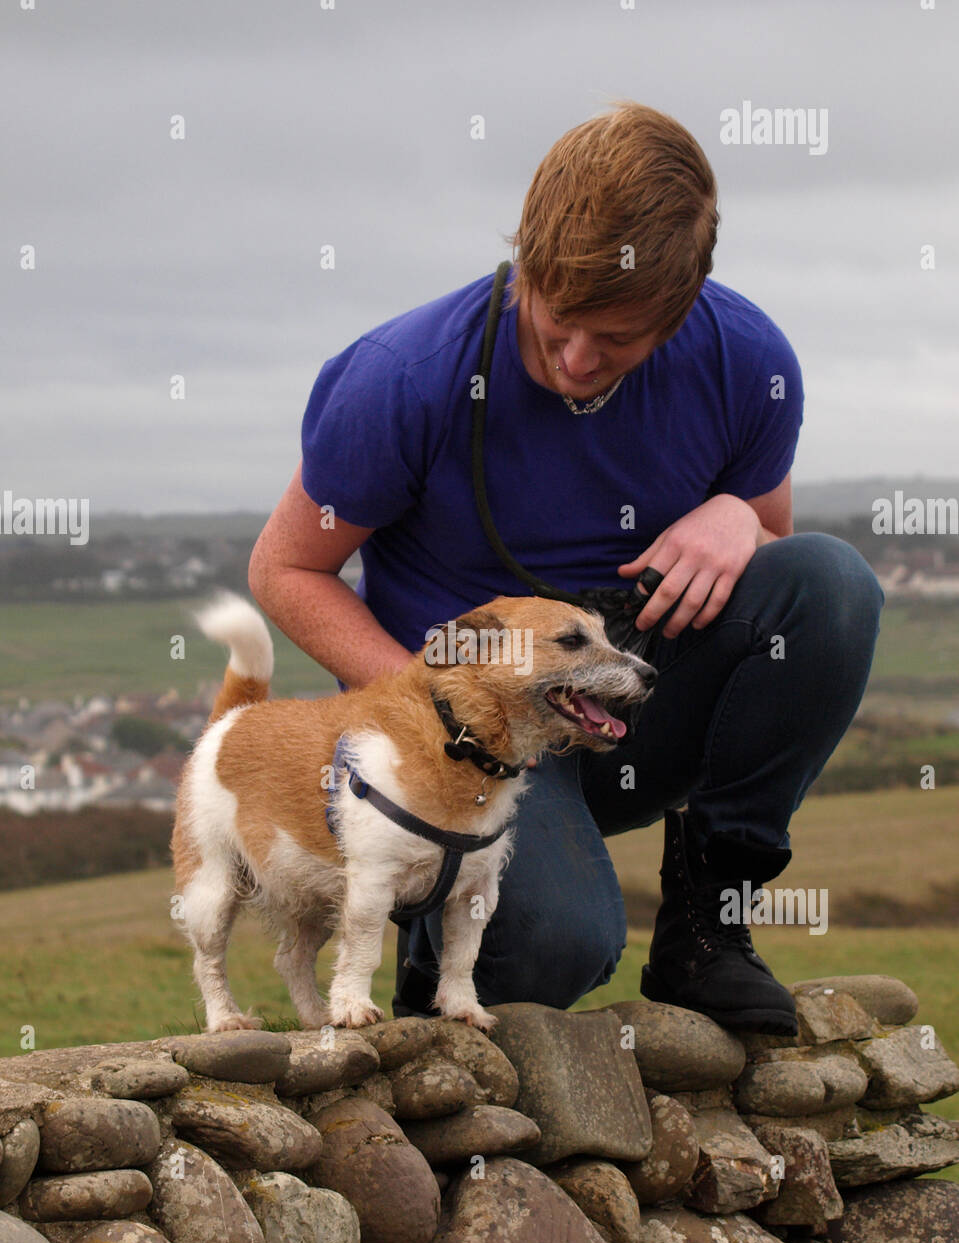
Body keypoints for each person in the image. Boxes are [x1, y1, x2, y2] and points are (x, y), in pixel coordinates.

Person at [249, 101, 884, 1035]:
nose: (576, 361)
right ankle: (434, 963)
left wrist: (735, 518)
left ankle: (709, 930)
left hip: (639, 693)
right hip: (475, 734)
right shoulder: (404, 375)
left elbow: (776, 557)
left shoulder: (745, 361)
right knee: (558, 949)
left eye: (615, 340)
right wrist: (434, 702)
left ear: (678, 309)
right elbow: (286, 570)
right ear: (526, 261)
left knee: (831, 585)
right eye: (555, 322)